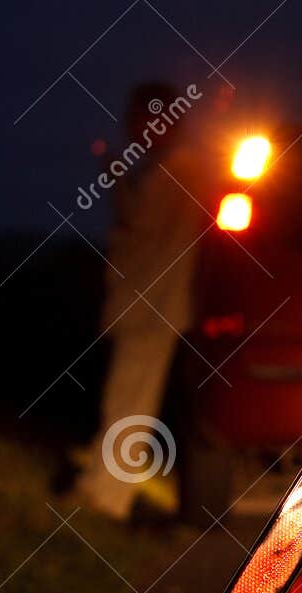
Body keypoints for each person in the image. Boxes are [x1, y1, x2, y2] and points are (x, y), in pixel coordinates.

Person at [73, 82, 206, 521]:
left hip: (151, 304)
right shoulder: (175, 169)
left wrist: (113, 174)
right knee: (128, 400)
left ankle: (107, 498)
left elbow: (139, 222)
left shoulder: (175, 171)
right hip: (149, 303)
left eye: (139, 119)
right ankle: (103, 491)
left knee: (128, 401)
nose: (131, 129)